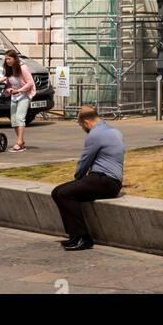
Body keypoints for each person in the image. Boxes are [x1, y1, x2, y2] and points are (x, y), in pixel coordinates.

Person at [51, 104, 124, 251]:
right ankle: (74, 236)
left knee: (64, 193)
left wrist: (77, 179)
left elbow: (84, 163)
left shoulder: (95, 134)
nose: (82, 129)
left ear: (86, 122)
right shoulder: (112, 130)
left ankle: (83, 238)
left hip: (105, 180)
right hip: (110, 181)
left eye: (81, 126)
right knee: (57, 192)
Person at [0, 48, 36, 151]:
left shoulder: (23, 68)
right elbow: (5, 78)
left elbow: (30, 83)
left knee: (20, 118)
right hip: (14, 96)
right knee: (14, 120)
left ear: (15, 59)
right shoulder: (9, 69)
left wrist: (19, 90)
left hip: (24, 95)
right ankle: (21, 142)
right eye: (6, 59)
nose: (7, 61)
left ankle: (19, 142)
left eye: (9, 59)